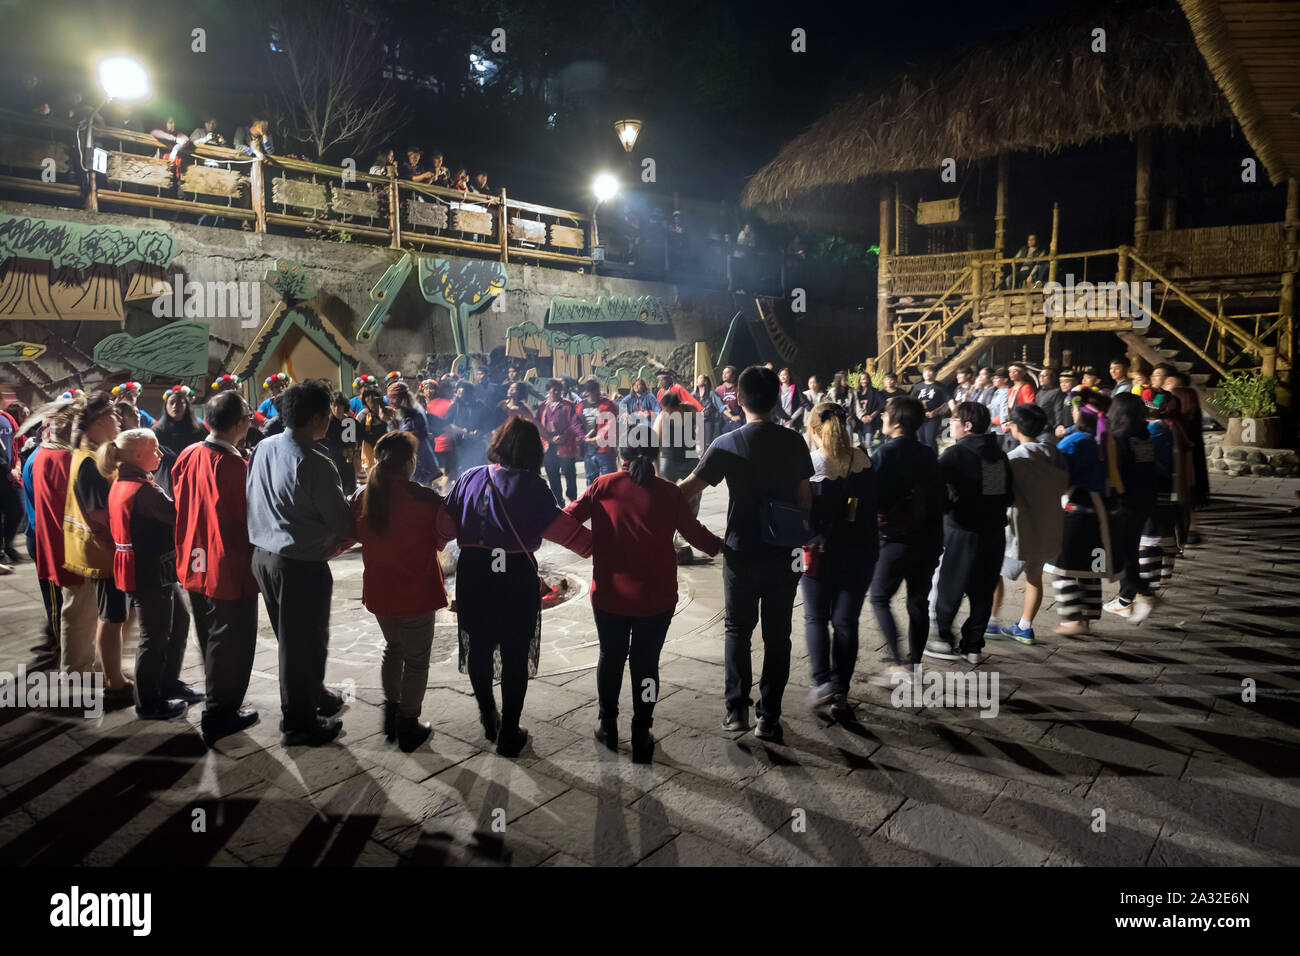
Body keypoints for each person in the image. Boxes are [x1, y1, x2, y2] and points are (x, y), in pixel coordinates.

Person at [564, 424, 722, 763]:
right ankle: (641, 731)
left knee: (610, 658)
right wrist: (722, 546)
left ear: (620, 452)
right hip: (657, 597)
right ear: (656, 454)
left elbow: (566, 519)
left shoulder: (602, 486)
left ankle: (608, 725)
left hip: (610, 594)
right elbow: (696, 534)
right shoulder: (669, 492)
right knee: (646, 664)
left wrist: (590, 545)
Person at [678, 366, 813, 742]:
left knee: (737, 629)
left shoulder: (727, 443)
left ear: (738, 398)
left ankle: (736, 710)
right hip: (784, 552)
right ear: (776, 398)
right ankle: (769, 717)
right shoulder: (794, 442)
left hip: (741, 549)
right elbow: (805, 499)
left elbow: (686, 490)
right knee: (778, 634)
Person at [446, 417, 592, 757]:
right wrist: (598, 542)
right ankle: (509, 732)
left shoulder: (469, 478)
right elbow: (566, 533)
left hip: (474, 573)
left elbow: (442, 526)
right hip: (513, 576)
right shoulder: (534, 487)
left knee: (478, 646)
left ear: (498, 443)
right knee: (515, 653)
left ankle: (488, 716)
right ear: (533, 452)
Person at [246, 381, 356, 747]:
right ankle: (298, 723)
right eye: (327, 415)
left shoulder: (264, 447)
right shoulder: (314, 462)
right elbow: (342, 523)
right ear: (317, 418)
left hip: (264, 557)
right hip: (299, 565)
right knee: (301, 644)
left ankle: (313, 693)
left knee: (296, 637)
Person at [351, 431, 457, 752]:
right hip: (415, 592)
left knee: (393, 647)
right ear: (409, 462)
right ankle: (408, 724)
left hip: (380, 592)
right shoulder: (423, 499)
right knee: (416, 660)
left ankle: (392, 710)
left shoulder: (362, 496)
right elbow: (446, 532)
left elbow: (351, 532)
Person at [172, 390, 260, 744]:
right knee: (232, 642)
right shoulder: (236, 468)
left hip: (194, 561)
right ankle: (221, 712)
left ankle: (216, 701)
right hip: (227, 567)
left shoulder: (189, 453)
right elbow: (250, 518)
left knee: (209, 636)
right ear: (240, 424)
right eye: (248, 417)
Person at [103, 429, 199, 720]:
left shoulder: (128, 481)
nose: (160, 454)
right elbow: (177, 515)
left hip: (150, 568)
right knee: (154, 636)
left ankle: (167, 683)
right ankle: (148, 701)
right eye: (154, 449)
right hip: (149, 570)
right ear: (136, 455)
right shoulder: (143, 489)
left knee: (179, 620)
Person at [801, 402, 876, 720]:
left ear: (814, 430)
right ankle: (841, 692)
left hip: (817, 553)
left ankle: (822, 683)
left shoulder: (811, 464)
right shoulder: (863, 459)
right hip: (860, 553)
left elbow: (801, 513)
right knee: (846, 622)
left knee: (815, 618)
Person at [925, 402, 1014, 664]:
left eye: (953, 421)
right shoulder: (996, 454)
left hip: (962, 531)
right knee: (982, 590)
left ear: (967, 425)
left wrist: (947, 508)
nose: (950, 425)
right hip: (993, 532)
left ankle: (943, 640)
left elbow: (934, 491)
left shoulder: (956, 454)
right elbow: (1002, 496)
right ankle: (973, 646)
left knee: (950, 586)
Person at [867, 396, 945, 686]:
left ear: (897, 421)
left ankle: (898, 663)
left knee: (879, 597)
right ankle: (914, 664)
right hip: (929, 538)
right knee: (918, 602)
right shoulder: (928, 453)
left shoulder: (884, 453)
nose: (882, 418)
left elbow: (871, 497)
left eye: (886, 414)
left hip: (896, 539)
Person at [63, 393, 133, 701]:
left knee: (104, 617)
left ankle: (105, 669)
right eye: (115, 417)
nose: (119, 422)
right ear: (102, 421)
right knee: (96, 618)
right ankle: (91, 680)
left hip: (95, 551)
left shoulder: (91, 454)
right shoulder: (89, 463)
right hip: (98, 552)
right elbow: (99, 515)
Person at [989, 402, 1067, 644]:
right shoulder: (1054, 453)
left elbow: (993, 491)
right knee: (1034, 577)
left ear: (1015, 427)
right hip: (1048, 525)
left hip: (1018, 529)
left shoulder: (1012, 458)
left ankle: (991, 621)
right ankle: (1025, 626)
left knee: (994, 573)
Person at [29, 398, 95, 674]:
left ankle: (74, 667)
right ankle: (76, 673)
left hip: (53, 544)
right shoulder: (67, 458)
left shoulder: (43, 454)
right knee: (75, 618)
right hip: (70, 549)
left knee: (71, 613)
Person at [1044, 387, 1115, 635]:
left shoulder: (1075, 441)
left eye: (1074, 409)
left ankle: (1073, 618)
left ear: (1081, 413)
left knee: (1063, 566)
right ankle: (1087, 618)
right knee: (1091, 566)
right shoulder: (1105, 439)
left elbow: (1057, 474)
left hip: (1075, 510)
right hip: (1100, 511)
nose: (1072, 413)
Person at [1100, 391, 1160, 625]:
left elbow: (1116, 474)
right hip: (1144, 499)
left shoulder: (1118, 438)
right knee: (1129, 549)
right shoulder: (1143, 436)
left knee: (1120, 554)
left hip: (1124, 503)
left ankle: (1144, 593)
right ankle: (1127, 599)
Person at [153, 386, 208, 498]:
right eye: (171, 403)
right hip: (166, 479)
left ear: (187, 405)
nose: (175, 406)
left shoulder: (199, 430)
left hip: (194, 476)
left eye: (180, 403)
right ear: (166, 406)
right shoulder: (157, 431)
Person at [381, 380, 440, 485]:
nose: (391, 401)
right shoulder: (405, 413)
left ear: (402, 397)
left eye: (394, 397)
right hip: (413, 466)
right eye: (390, 397)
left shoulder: (413, 415)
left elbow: (403, 440)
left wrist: (390, 421)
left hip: (419, 467)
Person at [538, 378, 583, 506]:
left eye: (559, 390)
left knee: (569, 471)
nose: (557, 392)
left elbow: (574, 423)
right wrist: (549, 438)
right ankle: (558, 501)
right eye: (554, 390)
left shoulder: (568, 405)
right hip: (549, 445)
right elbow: (539, 425)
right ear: (548, 390)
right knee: (552, 474)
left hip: (566, 445)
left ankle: (572, 497)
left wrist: (567, 435)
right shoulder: (543, 406)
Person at [443, 380, 490, 473]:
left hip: (477, 445)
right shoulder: (456, 406)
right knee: (463, 470)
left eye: (460, 391)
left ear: (469, 392)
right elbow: (447, 423)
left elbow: (489, 423)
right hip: (460, 444)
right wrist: (463, 431)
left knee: (478, 469)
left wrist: (480, 431)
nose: (458, 393)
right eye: (457, 391)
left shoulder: (481, 406)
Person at [577, 379, 619, 485]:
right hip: (588, 450)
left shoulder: (608, 404)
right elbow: (576, 424)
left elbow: (612, 423)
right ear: (587, 392)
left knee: (609, 481)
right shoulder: (581, 405)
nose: (596, 393)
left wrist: (598, 437)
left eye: (597, 390)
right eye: (592, 391)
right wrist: (583, 438)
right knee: (591, 481)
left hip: (605, 449)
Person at [322, 391, 359, 495]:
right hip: (331, 465)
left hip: (347, 465)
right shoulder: (326, 423)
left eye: (340, 406)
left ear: (344, 406)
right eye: (334, 405)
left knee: (349, 495)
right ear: (330, 406)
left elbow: (353, 443)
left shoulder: (350, 422)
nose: (337, 409)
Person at [0, 400, 23, 564]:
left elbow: (15, 445)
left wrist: (17, 465)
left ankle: (8, 545)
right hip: (5, 473)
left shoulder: (6, 418)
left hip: (9, 475)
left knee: (17, 510)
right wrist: (7, 470)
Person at [913, 365, 951, 449]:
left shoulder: (941, 387)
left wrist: (936, 412)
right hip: (919, 417)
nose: (927, 373)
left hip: (933, 417)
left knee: (930, 438)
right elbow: (911, 401)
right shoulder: (917, 387)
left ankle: (934, 456)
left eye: (930, 371)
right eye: (925, 371)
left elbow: (948, 402)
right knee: (920, 439)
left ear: (935, 374)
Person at [692, 374, 728, 453]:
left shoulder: (711, 393)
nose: (697, 380)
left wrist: (731, 416)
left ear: (705, 382)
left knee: (708, 444)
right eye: (697, 378)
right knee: (698, 445)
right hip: (697, 422)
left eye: (700, 378)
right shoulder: (693, 395)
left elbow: (720, 406)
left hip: (708, 422)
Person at [853, 373, 886, 448]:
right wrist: (861, 417)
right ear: (859, 381)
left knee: (868, 445)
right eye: (862, 379)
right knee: (862, 446)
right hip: (860, 421)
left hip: (871, 421)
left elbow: (882, 405)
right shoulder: (856, 393)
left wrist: (872, 416)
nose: (864, 381)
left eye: (865, 379)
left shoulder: (874, 392)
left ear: (868, 380)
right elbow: (853, 406)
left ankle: (871, 452)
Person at [714, 366, 744, 434]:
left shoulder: (740, 388)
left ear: (733, 376)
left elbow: (745, 404)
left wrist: (741, 416)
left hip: (737, 421)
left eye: (727, 373)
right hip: (724, 422)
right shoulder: (718, 389)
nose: (724, 375)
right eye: (723, 373)